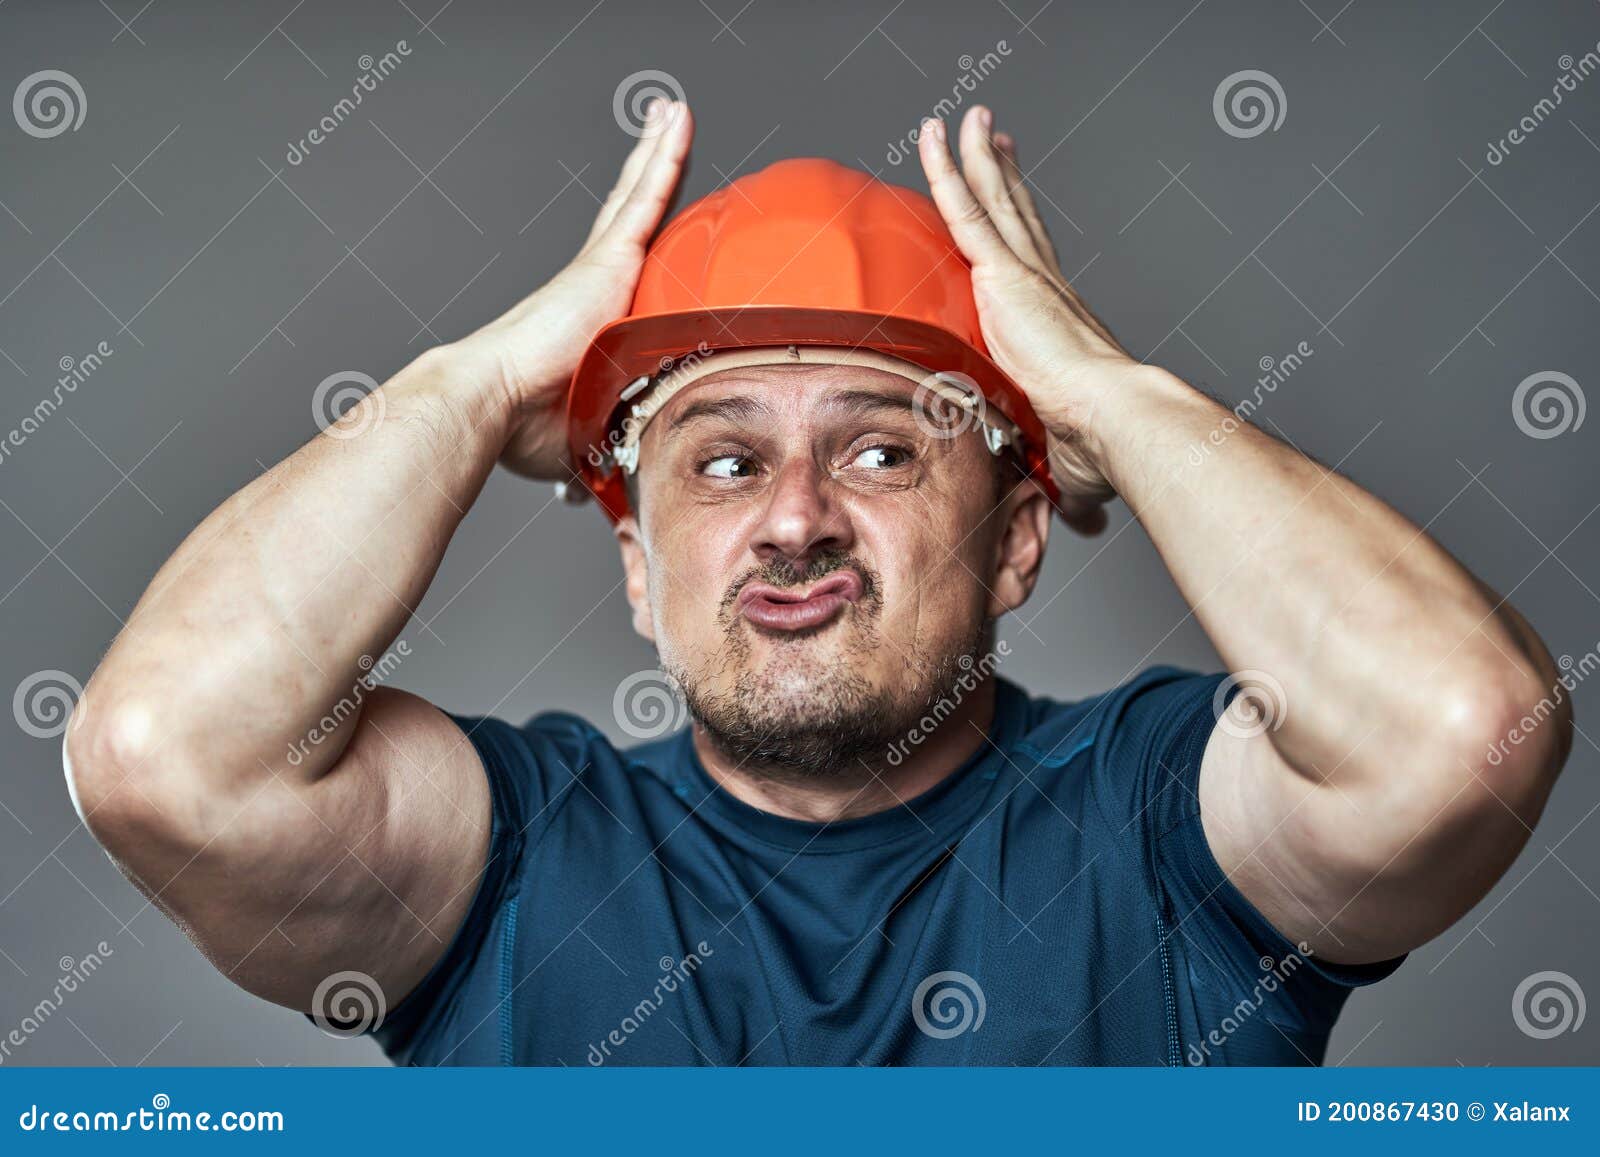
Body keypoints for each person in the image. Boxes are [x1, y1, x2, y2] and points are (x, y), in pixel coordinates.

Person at [65, 100, 1570, 1065]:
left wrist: (1109, 398)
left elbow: (1459, 730)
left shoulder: (1165, 824)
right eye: (720, 462)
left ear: (1018, 540)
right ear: (639, 568)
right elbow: (162, 760)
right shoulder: (515, 864)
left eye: (885, 455)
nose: (795, 520)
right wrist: (468, 391)